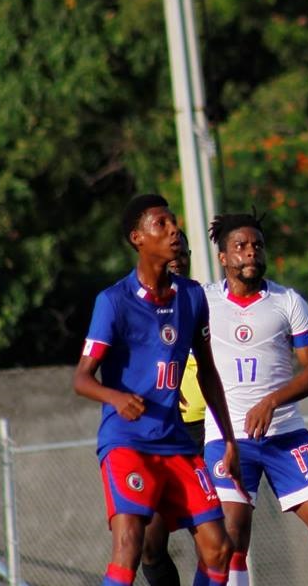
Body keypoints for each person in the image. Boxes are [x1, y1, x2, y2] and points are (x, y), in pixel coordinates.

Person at [74, 194, 246, 586]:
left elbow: (207, 371)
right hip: (127, 443)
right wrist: (116, 397)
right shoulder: (113, 301)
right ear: (137, 238)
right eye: (161, 224)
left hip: (177, 442)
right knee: (130, 547)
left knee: (219, 548)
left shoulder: (192, 296)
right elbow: (81, 378)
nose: (173, 231)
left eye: (174, 223)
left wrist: (229, 439)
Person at [202, 211, 308, 586]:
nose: (251, 252)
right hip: (228, 439)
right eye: (241, 246)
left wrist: (271, 402)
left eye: (257, 245)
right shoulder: (204, 300)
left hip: (285, 435)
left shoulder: (288, 301)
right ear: (223, 257)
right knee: (231, 540)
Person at [141, 231, 210, 586]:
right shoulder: (138, 306)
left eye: (183, 252)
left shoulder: (203, 300)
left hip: (207, 435)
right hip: (162, 432)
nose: (178, 259)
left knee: (212, 542)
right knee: (149, 544)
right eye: (171, 253)